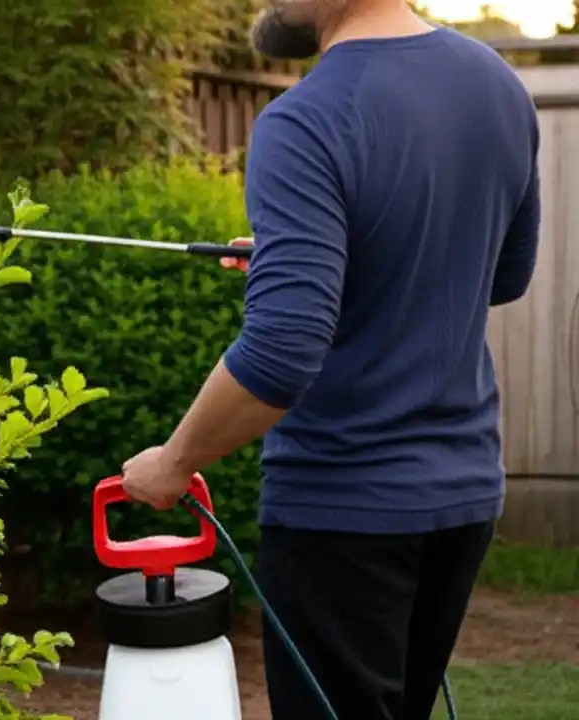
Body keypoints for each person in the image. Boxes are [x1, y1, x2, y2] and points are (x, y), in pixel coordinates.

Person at [118, 1, 541, 719]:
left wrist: (172, 460)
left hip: (346, 510)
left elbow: (281, 356)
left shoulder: (307, 118)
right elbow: (501, 277)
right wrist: (320, 263)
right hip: (462, 497)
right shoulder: (497, 84)